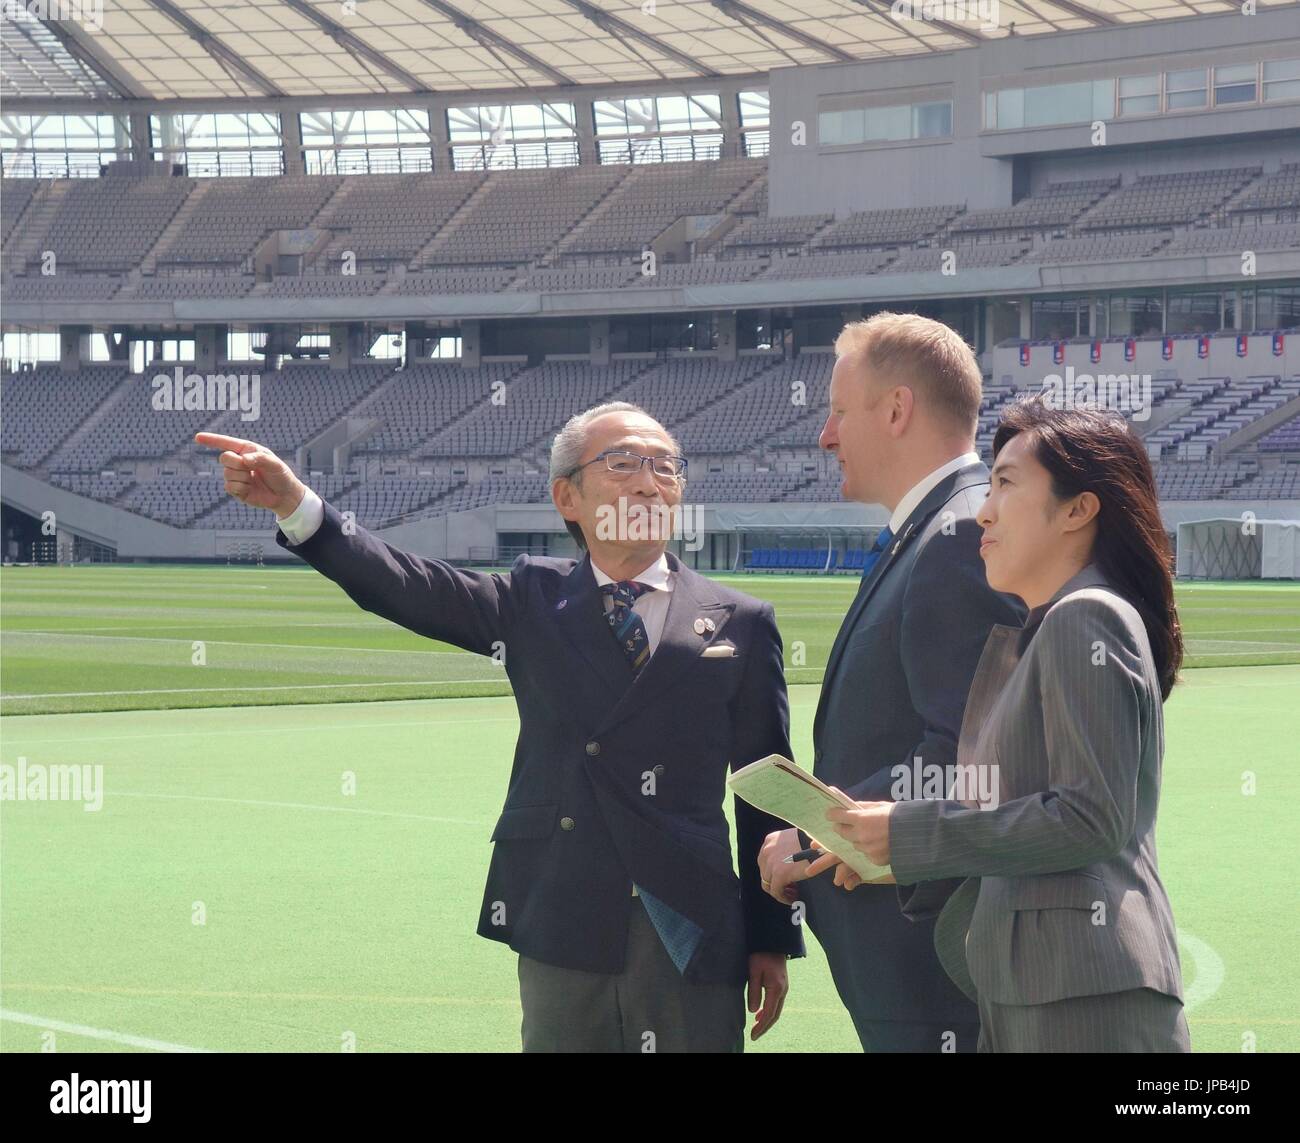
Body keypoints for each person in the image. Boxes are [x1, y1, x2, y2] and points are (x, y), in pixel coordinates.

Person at [194, 400, 802, 1053]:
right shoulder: (531, 599)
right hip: (566, 909)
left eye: (665, 467)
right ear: (567, 496)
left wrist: (769, 933)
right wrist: (301, 510)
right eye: (623, 463)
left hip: (691, 922)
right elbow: (405, 585)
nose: (649, 481)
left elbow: (767, 791)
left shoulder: (741, 619)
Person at [810, 396, 1190, 1052]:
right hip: (1033, 987)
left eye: (1006, 484)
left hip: (1080, 997)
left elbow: (1089, 817)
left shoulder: (1086, 618)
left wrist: (908, 831)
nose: (984, 509)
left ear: (1079, 508)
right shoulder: (1044, 631)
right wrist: (892, 850)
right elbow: (1020, 813)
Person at [758, 312, 1025, 1052]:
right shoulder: (939, 528)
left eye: (839, 411)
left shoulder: (958, 536)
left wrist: (818, 835)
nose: (826, 434)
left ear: (897, 409)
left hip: (933, 971)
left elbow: (977, 756)